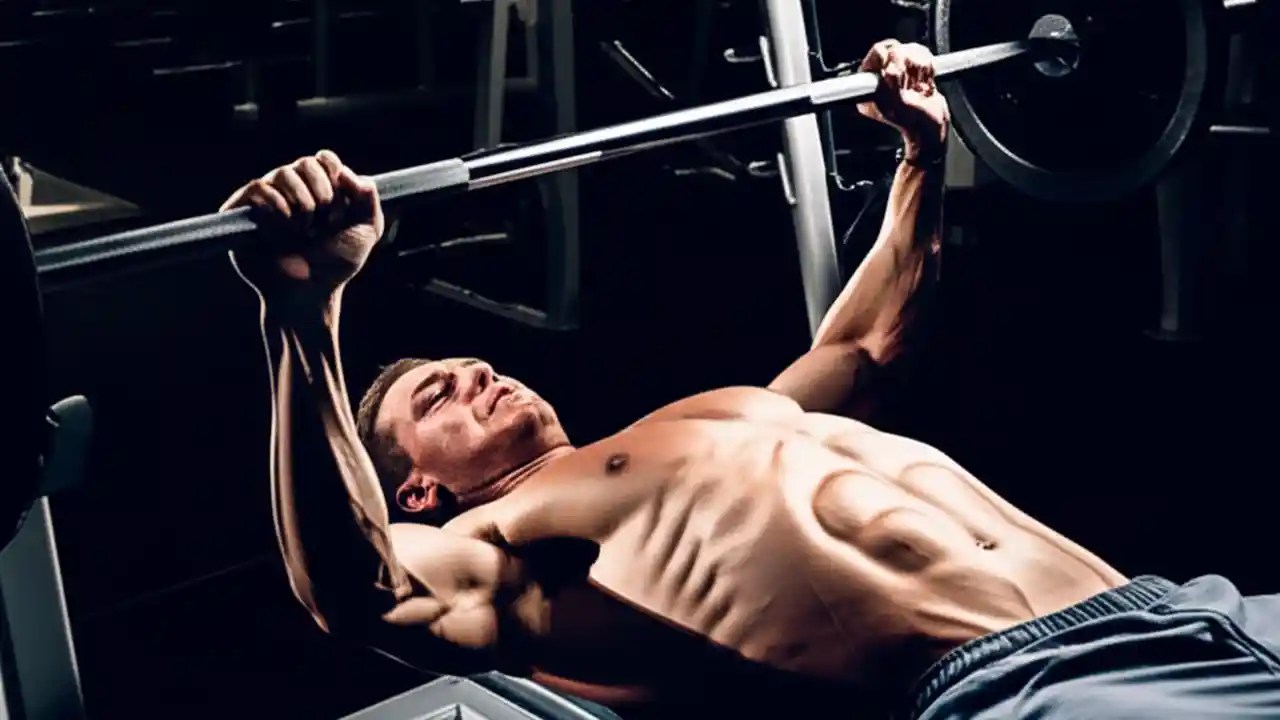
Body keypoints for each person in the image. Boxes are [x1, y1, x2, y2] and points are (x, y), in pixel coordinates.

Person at [224, 41, 1280, 719]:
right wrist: (305, 318)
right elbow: (360, 593)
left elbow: (866, 347)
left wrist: (920, 155)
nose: (473, 371)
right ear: (414, 488)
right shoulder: (491, 548)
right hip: (1019, 691)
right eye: (437, 398)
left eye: (468, 364)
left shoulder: (707, 417)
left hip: (1176, 611)